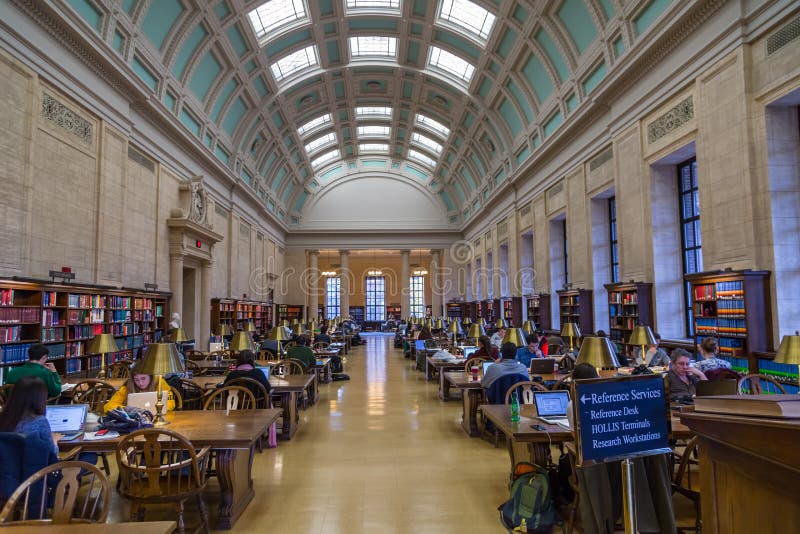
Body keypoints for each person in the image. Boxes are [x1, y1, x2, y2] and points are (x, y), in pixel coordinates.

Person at [0, 376, 60, 458]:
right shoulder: (40, 421)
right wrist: (54, 441)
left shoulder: (4, 417)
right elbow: (52, 454)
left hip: (7, 468)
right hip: (38, 470)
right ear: (40, 398)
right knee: (83, 455)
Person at [104, 365, 176, 413]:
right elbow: (108, 407)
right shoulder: (127, 386)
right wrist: (128, 409)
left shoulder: (159, 383)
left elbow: (170, 403)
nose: (140, 383)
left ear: (150, 377)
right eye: (136, 380)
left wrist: (152, 409)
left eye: (143, 378)